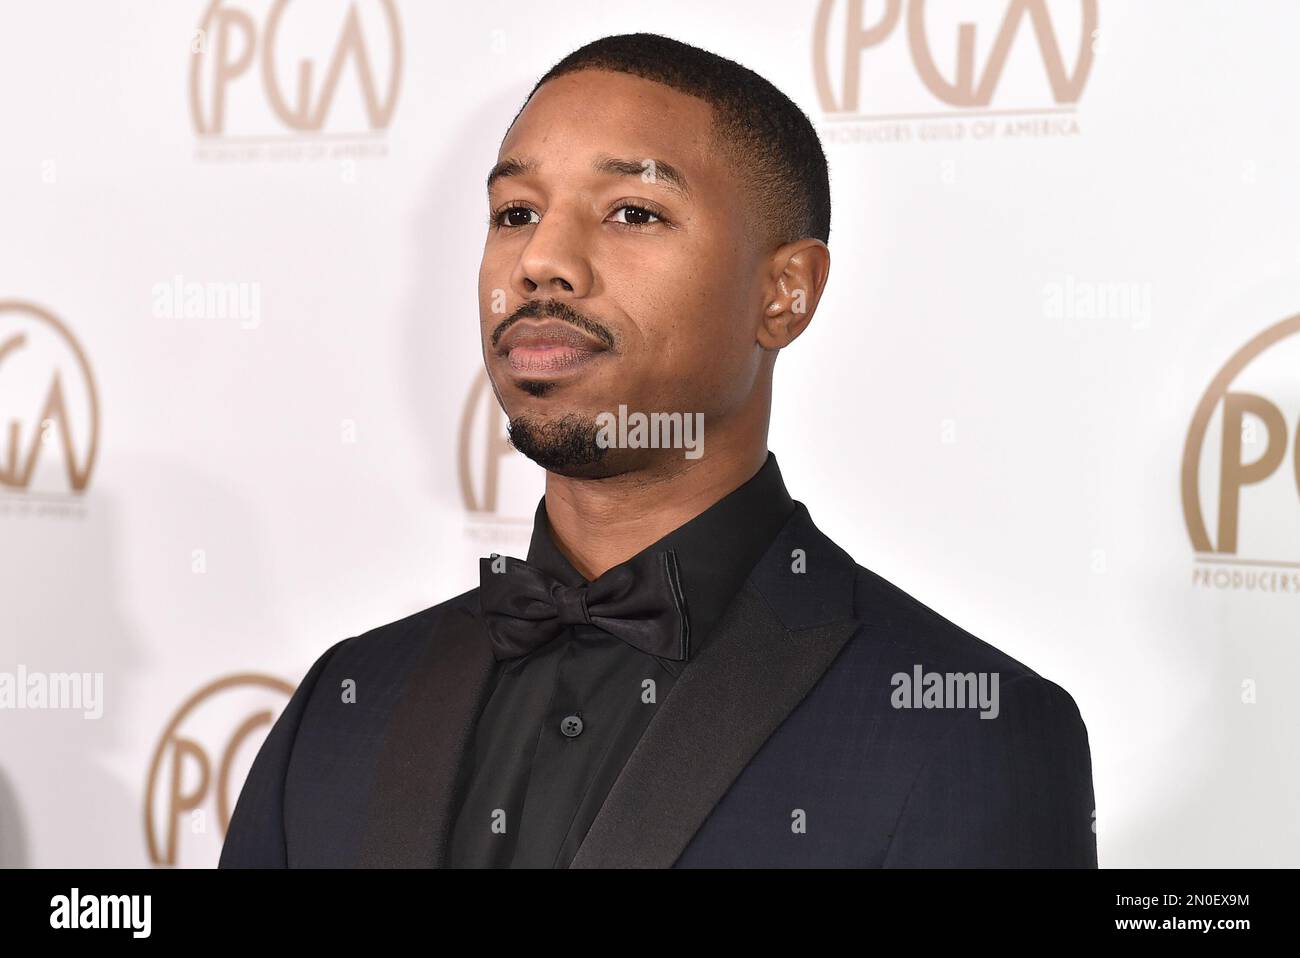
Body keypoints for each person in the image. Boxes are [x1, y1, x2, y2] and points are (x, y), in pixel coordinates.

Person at [219, 32, 1097, 868]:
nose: (541, 260)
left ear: (784, 293)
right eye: (515, 212)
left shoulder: (962, 729)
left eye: (632, 212)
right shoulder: (343, 706)